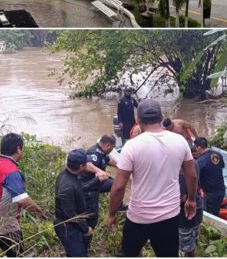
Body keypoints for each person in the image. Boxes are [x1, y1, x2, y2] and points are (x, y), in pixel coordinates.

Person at [106, 99, 198, 258]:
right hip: (169, 216)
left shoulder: (132, 146)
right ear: (161, 117)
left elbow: (119, 186)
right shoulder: (179, 141)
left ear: (138, 121)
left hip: (138, 217)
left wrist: (112, 214)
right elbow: (192, 175)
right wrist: (191, 199)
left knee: (130, 254)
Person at [0, 133, 46, 257]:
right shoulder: (11, 172)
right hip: (3, 224)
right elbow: (23, 200)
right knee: (16, 252)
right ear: (18, 149)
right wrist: (39, 212)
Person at [78, 134, 126, 249]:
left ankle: (118, 205)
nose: (112, 150)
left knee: (117, 185)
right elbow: (87, 164)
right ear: (108, 145)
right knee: (92, 216)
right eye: (112, 147)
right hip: (89, 188)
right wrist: (99, 171)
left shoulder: (103, 152)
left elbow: (110, 161)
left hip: (98, 183)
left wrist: (124, 167)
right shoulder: (94, 152)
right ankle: (85, 242)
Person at [54, 149, 92, 257]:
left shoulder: (67, 175)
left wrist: (96, 180)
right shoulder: (67, 186)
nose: (87, 166)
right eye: (85, 164)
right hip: (67, 226)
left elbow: (79, 189)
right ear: (80, 167)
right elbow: (70, 215)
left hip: (72, 225)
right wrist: (85, 228)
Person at [178, 157, 204, 257]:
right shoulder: (195, 163)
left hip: (186, 213)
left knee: (186, 246)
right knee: (193, 237)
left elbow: (182, 197)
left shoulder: (181, 169)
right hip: (198, 207)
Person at [193, 137, 225, 216]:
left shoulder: (200, 161)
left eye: (196, 148)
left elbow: (194, 177)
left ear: (199, 147)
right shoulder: (218, 154)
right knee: (216, 210)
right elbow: (222, 166)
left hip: (210, 194)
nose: (196, 151)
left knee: (210, 214)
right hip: (221, 190)